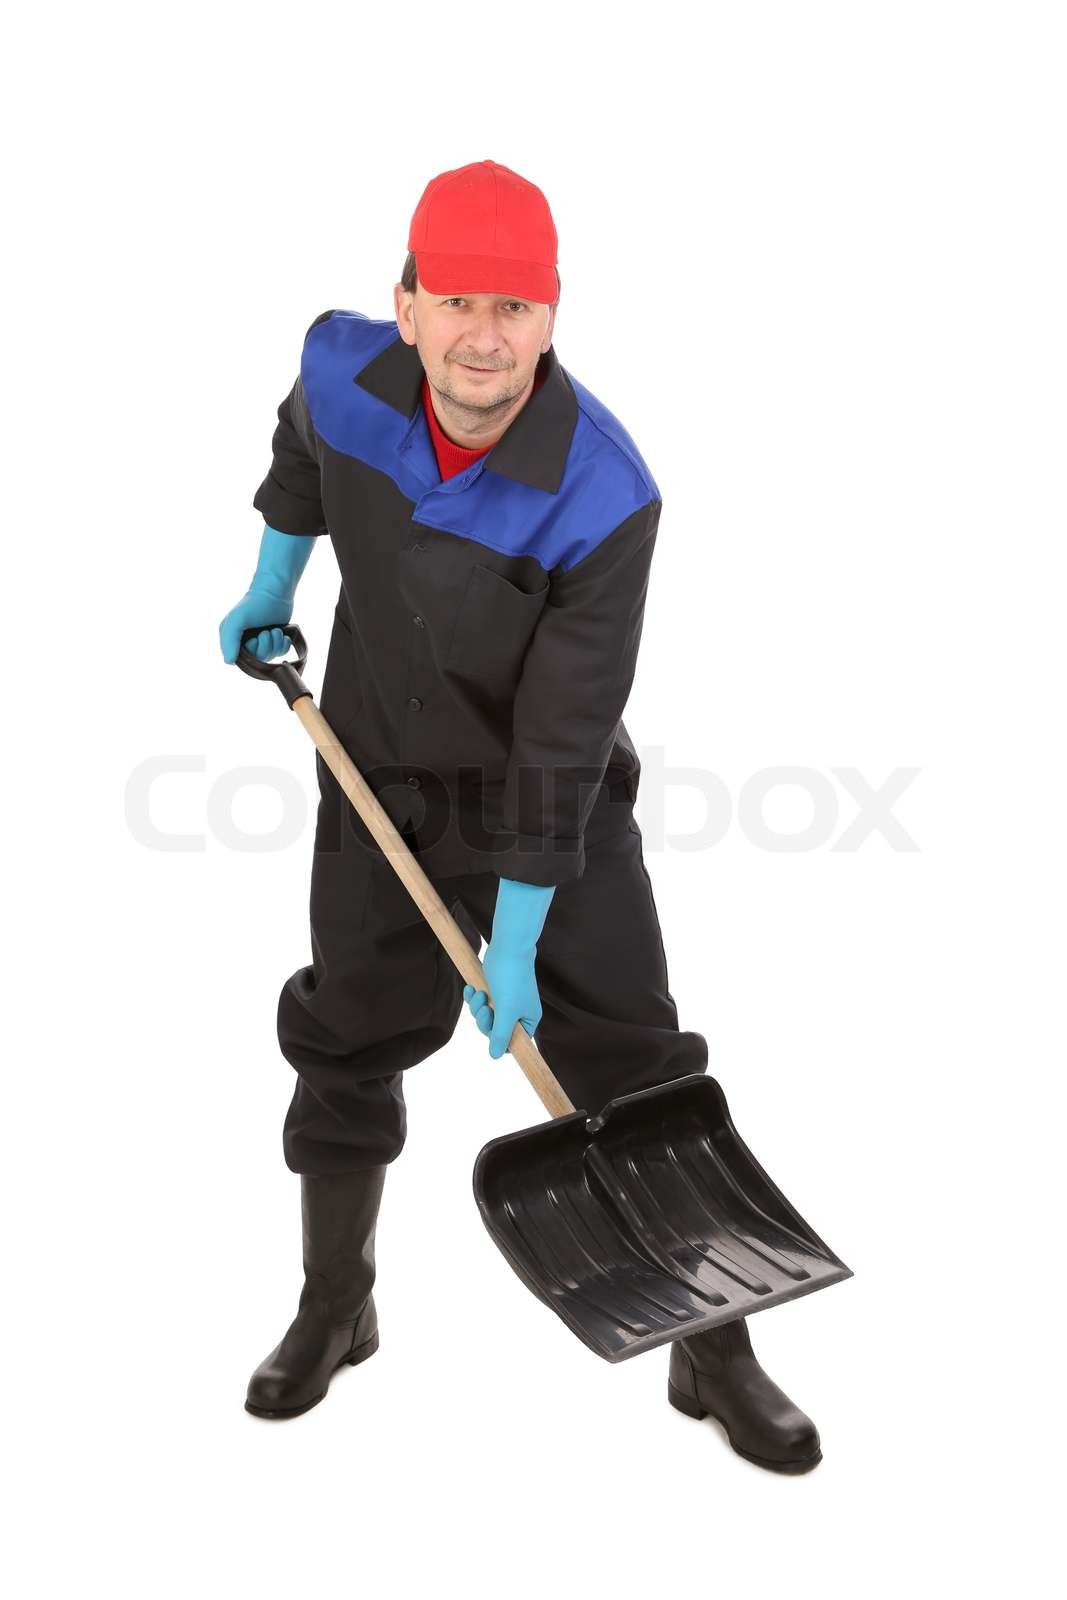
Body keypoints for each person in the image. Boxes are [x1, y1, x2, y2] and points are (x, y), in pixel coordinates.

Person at [220, 159, 822, 1471]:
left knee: (636, 1063)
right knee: (346, 1032)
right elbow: (300, 453)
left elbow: (566, 728)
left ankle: (714, 1351)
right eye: (457, 302)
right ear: (408, 307)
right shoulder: (341, 372)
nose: (485, 337)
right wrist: (271, 583)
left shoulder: (603, 491)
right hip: (376, 780)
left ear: (551, 317)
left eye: (517, 306)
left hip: (549, 806)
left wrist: (520, 929)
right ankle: (336, 1304)